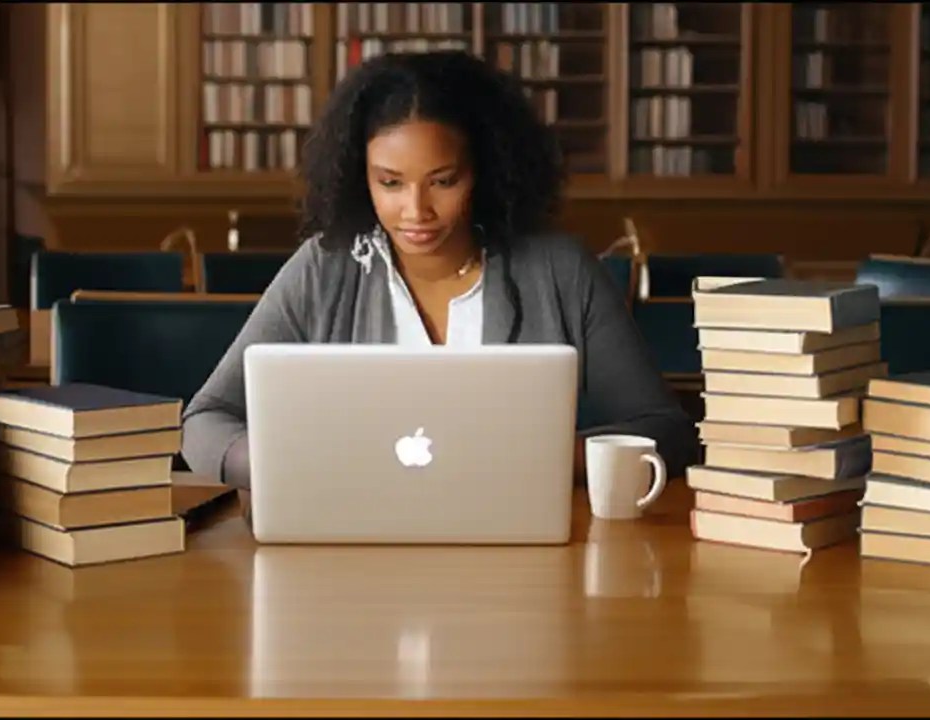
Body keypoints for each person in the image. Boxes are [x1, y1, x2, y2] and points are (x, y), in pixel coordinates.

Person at [181, 50, 697, 492]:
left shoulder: (561, 271)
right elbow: (203, 423)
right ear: (360, 178)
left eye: (443, 181)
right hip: (351, 551)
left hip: (523, 558)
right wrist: (278, 465)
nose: (416, 211)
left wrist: (553, 460)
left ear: (484, 171)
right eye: (390, 183)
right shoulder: (325, 268)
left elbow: (665, 432)